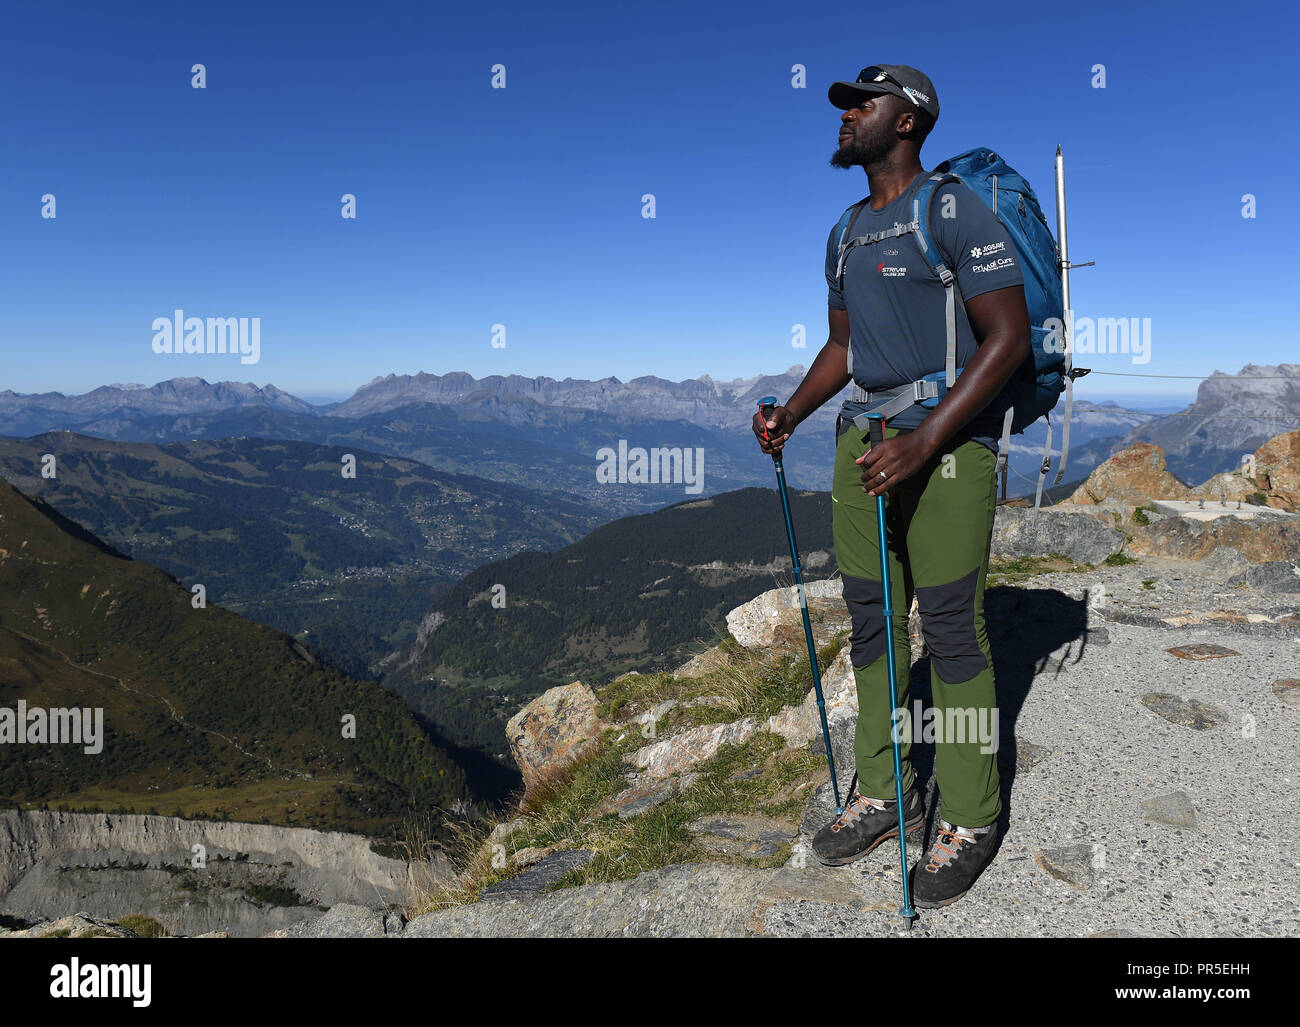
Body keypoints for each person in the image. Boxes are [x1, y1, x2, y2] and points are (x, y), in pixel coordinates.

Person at [751, 64, 1030, 908]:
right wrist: (793, 412)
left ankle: (973, 813)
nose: (846, 116)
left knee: (949, 627)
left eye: (860, 105)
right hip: (859, 445)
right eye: (845, 105)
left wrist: (929, 439)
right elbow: (844, 346)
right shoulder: (845, 231)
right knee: (872, 624)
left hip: (942, 449)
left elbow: (1008, 335)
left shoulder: (951, 209)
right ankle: (885, 789)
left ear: (907, 121)